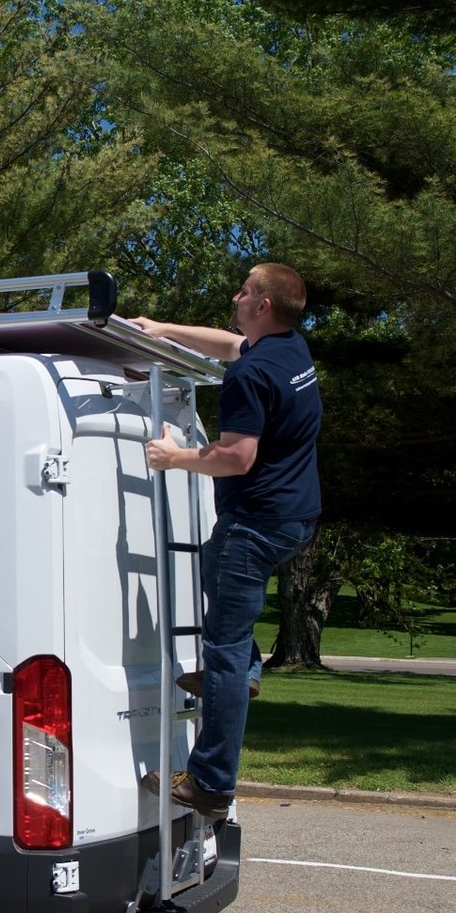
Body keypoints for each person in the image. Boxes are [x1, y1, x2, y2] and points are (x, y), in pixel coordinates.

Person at [129, 263, 321, 815]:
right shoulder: (290, 351)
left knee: (226, 647)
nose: (236, 297)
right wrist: (163, 329)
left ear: (263, 305)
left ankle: (210, 782)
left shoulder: (249, 376)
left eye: (244, 291)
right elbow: (230, 343)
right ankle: (240, 675)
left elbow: (237, 458)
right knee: (214, 567)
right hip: (295, 520)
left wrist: (174, 458)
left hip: (255, 523)